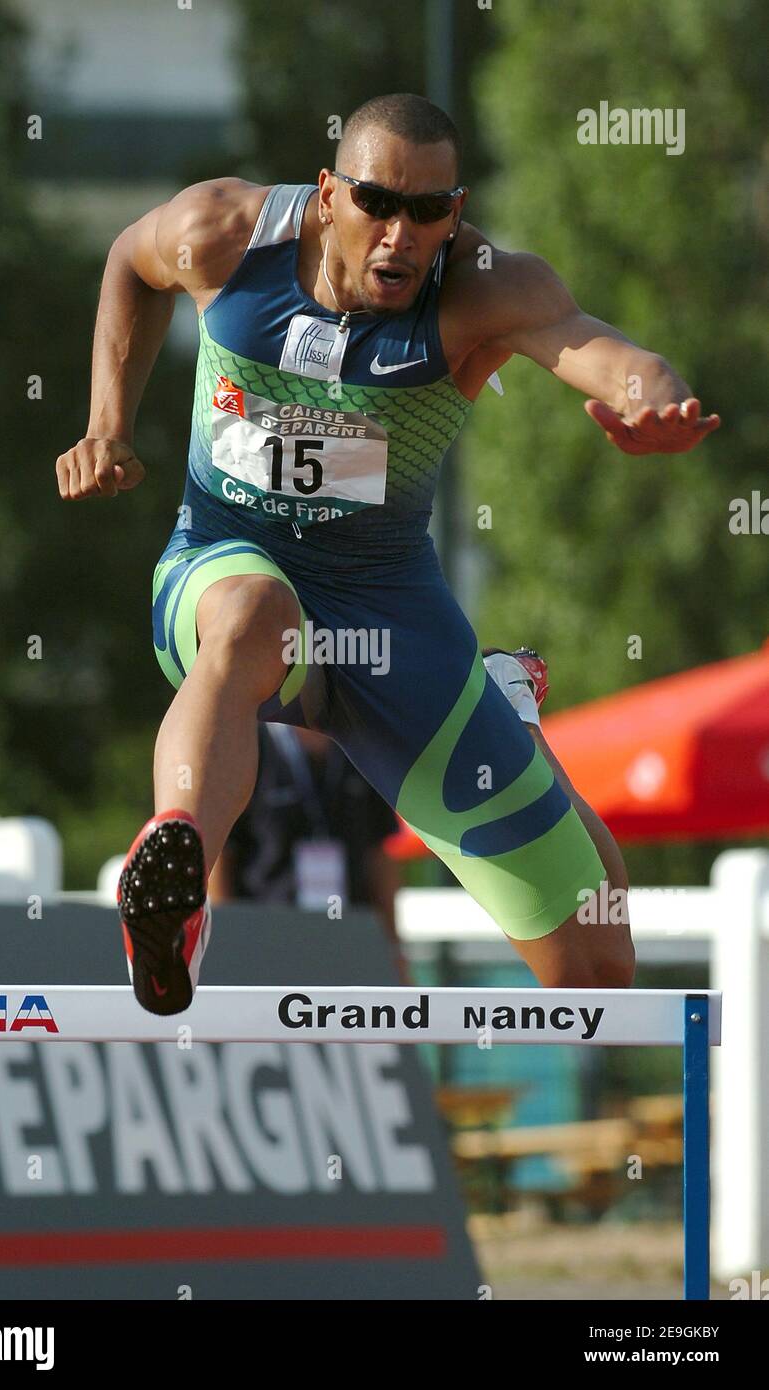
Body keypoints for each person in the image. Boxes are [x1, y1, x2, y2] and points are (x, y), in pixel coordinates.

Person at [56, 92, 719, 1015]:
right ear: (329, 194)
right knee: (254, 618)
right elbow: (130, 259)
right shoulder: (225, 232)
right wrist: (107, 424)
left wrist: (660, 403)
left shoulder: (485, 288)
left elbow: (603, 350)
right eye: (378, 202)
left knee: (596, 977)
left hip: (392, 619)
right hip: (224, 564)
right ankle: (173, 879)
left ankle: (511, 716)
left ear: (458, 208)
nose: (401, 236)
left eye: (430, 211)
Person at [207, 722, 403, 955]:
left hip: (348, 936)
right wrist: (227, 946)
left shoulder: (361, 748)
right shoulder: (248, 746)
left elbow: (379, 855)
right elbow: (222, 853)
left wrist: (393, 949)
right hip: (267, 938)